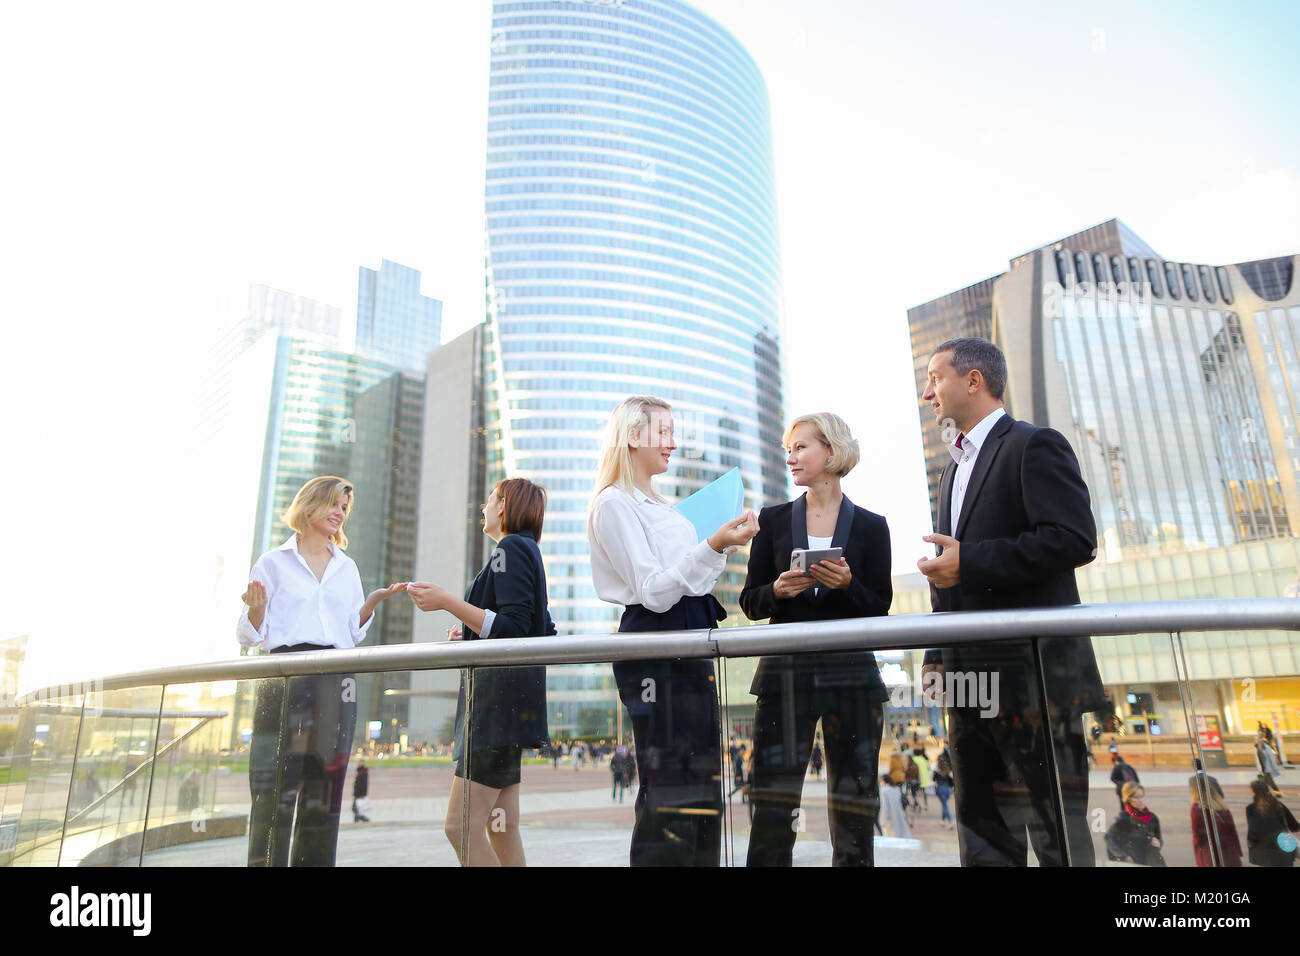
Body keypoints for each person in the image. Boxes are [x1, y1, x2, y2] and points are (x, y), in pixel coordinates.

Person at [917, 337, 1103, 868]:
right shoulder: (951, 470)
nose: (927, 392)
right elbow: (954, 569)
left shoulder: (1034, 444)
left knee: (1058, 840)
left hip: (1035, 686)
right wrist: (937, 657)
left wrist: (970, 561)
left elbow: (1073, 538)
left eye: (936, 378)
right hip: (968, 684)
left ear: (973, 381)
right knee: (983, 838)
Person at [587, 395, 758, 866]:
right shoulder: (614, 505)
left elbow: (694, 580)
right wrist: (714, 543)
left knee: (701, 787)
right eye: (663, 432)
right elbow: (654, 591)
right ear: (633, 435)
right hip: (655, 642)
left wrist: (719, 547)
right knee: (670, 792)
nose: (673, 443)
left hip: (688, 633)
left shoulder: (663, 507)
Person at [740, 412, 893, 867]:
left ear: (831, 450)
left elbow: (879, 608)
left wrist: (847, 585)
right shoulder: (772, 521)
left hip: (852, 679)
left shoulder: (871, 526)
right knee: (772, 802)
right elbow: (750, 602)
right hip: (784, 678)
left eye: (800, 447)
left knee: (855, 802)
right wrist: (778, 590)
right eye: (788, 449)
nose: (790, 458)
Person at [239, 475, 407, 866]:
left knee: (325, 790)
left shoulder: (346, 567)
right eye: (334, 504)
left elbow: (351, 631)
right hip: (283, 677)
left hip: (337, 680)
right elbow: (251, 634)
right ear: (310, 505)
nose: (339, 513)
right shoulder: (272, 563)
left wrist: (371, 604)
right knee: (273, 788)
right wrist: (256, 607)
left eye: (344, 508)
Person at [408, 477, 554, 867]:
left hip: (494, 710)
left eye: (490, 499)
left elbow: (513, 628)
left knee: (460, 828)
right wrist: (471, 635)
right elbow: (540, 626)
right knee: (501, 829)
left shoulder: (511, 548)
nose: (483, 507)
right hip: (507, 710)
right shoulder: (524, 551)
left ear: (504, 505)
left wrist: (447, 602)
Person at [1105, 783, 1166, 866]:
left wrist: (1157, 844)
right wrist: (1124, 857)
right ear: (1128, 799)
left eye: (1142, 796)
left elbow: (1159, 839)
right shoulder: (1124, 819)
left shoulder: (1152, 818)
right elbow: (1108, 838)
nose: (1141, 800)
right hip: (1133, 863)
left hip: (1149, 861)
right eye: (1136, 797)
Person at [1189, 776, 1241, 867]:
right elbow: (1233, 831)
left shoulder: (1197, 808)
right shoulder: (1223, 806)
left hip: (1209, 852)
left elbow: (1197, 834)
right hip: (1230, 850)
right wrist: (1238, 851)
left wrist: (1198, 853)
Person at [1246, 780, 1300, 867]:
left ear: (1254, 792)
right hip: (1284, 847)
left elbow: (1253, 830)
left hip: (1266, 851)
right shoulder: (1279, 805)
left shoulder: (1251, 808)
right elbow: (1295, 826)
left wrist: (1251, 843)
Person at [933, 750, 955, 829]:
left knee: (945, 805)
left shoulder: (936, 771)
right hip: (947, 790)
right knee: (944, 804)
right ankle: (942, 820)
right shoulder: (948, 771)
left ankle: (950, 822)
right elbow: (951, 782)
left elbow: (934, 780)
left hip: (940, 789)